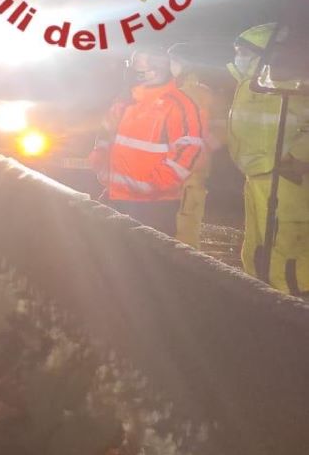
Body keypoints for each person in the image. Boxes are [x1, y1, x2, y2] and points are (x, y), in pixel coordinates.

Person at [227, 23, 309, 294]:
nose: (238, 56)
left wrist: (297, 157)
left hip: (288, 179)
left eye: (245, 51)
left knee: (287, 247)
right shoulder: (249, 85)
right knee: (259, 241)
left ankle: (294, 305)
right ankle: (261, 296)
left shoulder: (295, 86)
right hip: (257, 175)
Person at [90, 46, 205, 238]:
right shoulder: (126, 99)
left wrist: (154, 185)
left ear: (157, 70)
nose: (133, 73)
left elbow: (188, 148)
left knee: (146, 262)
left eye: (138, 69)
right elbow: (105, 133)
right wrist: (100, 163)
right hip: (117, 197)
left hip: (154, 207)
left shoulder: (176, 103)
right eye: (133, 67)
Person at [168, 43, 225, 249]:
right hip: (176, 170)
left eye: (174, 61)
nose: (170, 65)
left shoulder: (198, 93)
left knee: (184, 227)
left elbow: (220, 128)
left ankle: (182, 272)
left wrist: (199, 151)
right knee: (177, 224)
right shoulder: (177, 91)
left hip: (188, 173)